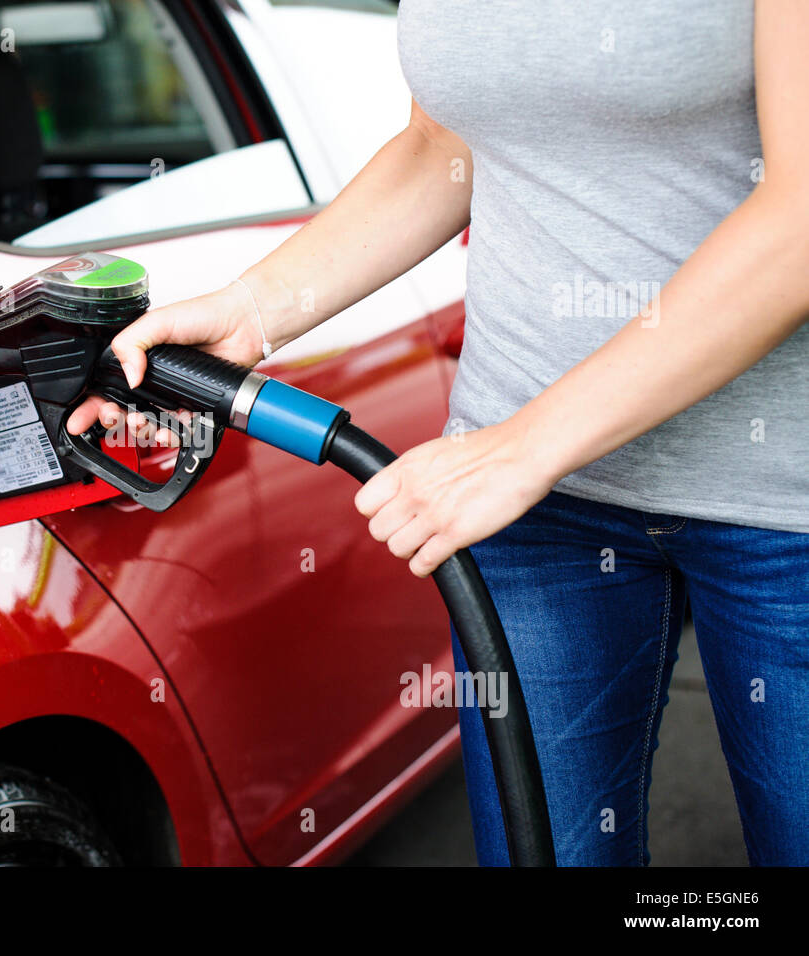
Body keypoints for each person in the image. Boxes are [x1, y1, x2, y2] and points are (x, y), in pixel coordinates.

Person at [67, 0, 809, 866]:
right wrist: (253, 311)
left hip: (778, 495)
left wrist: (529, 444)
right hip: (531, 512)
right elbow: (444, 149)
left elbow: (798, 221)